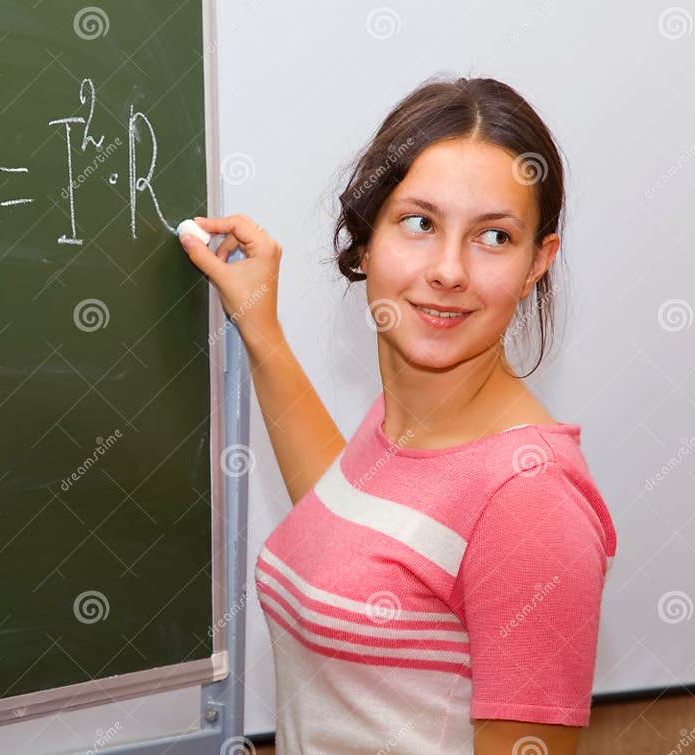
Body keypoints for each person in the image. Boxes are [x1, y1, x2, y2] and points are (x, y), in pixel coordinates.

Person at [178, 75, 617, 755]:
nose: (448, 269)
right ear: (366, 234)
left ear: (538, 262)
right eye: (420, 222)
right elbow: (348, 528)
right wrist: (259, 325)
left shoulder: (529, 499)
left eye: (494, 237)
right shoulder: (403, 422)